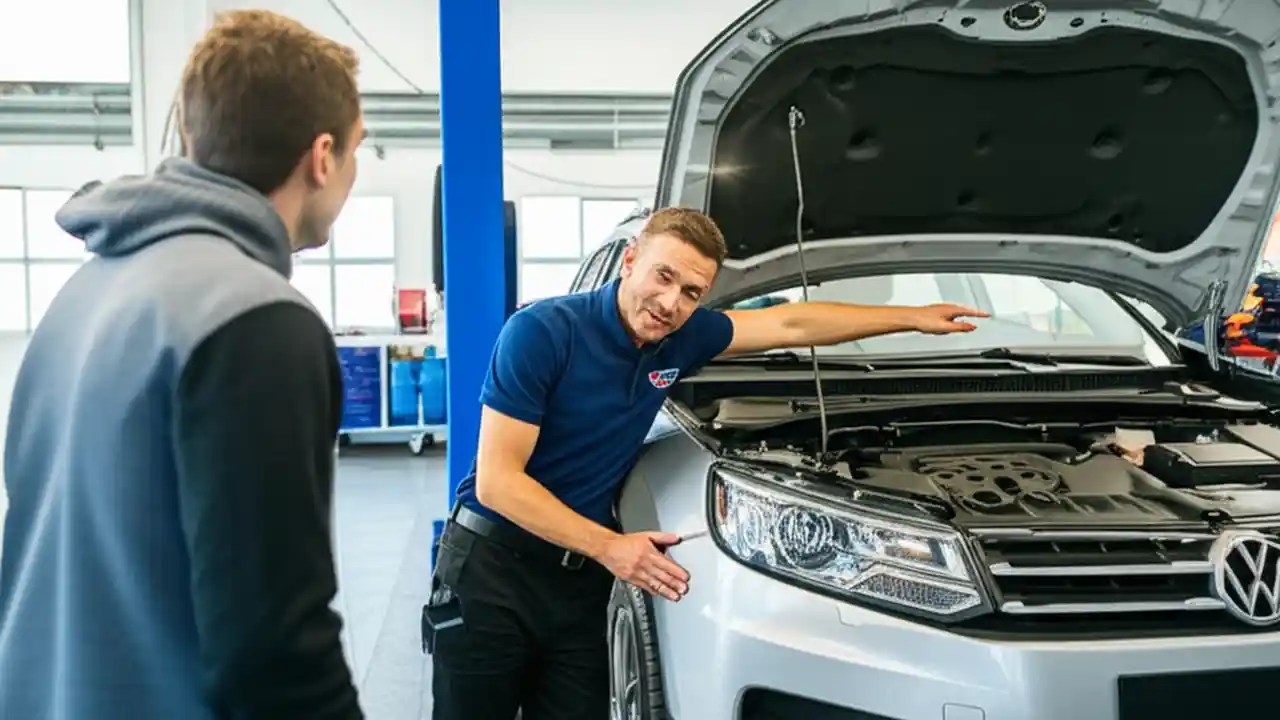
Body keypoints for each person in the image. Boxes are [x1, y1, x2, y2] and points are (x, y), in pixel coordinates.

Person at [426, 207, 989, 718]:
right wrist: (610, 547)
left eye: (692, 292)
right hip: (493, 571)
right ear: (629, 262)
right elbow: (499, 483)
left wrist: (912, 316)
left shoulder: (682, 337)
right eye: (663, 276)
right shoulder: (541, 334)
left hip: (578, 587)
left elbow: (793, 324)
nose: (671, 303)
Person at [0, 10, 365, 720]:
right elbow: (275, 650)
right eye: (356, 152)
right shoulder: (255, 320)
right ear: (322, 157)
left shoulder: (84, 292)